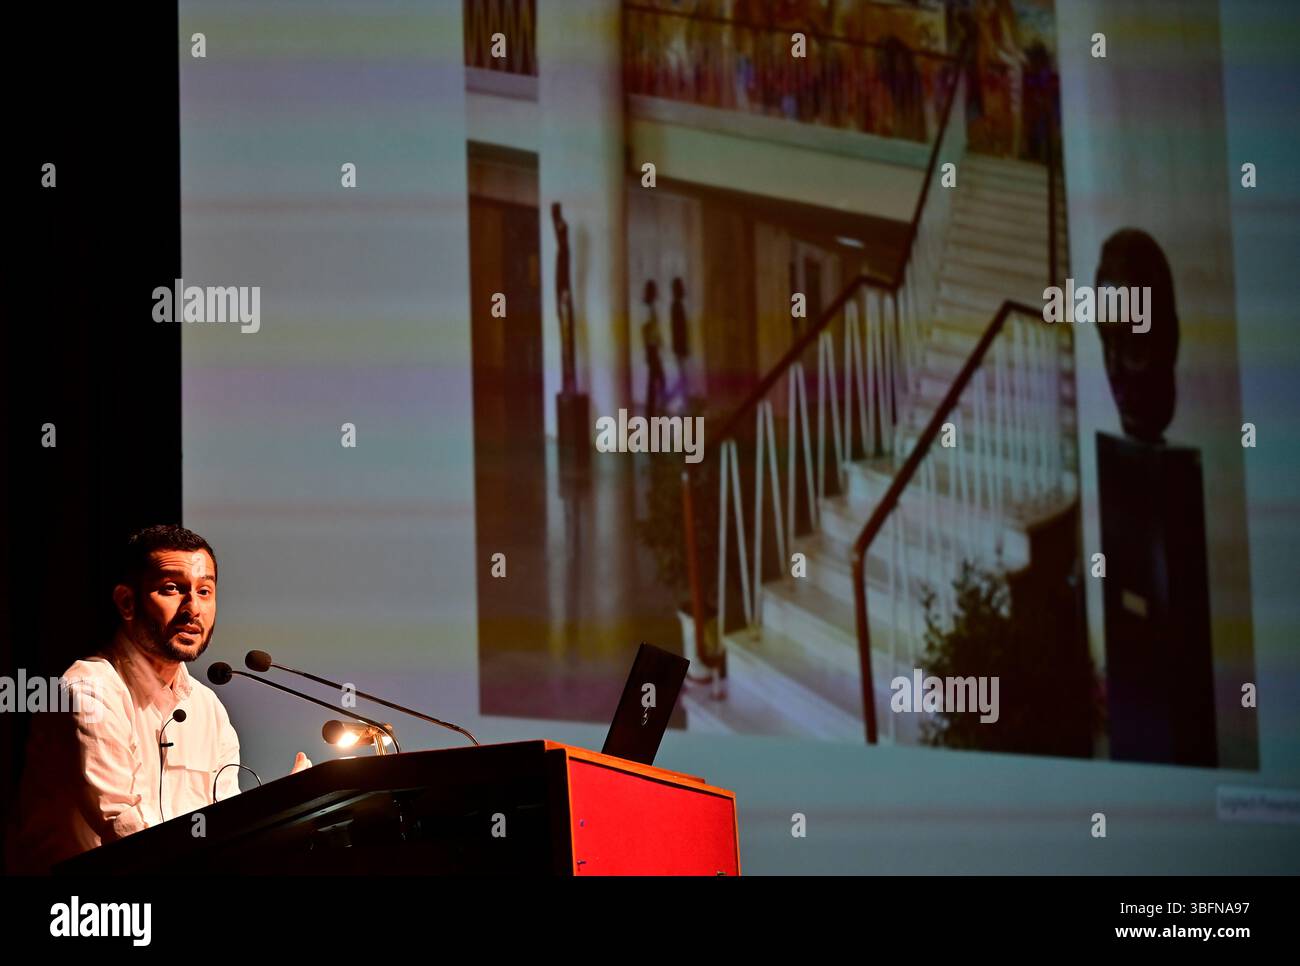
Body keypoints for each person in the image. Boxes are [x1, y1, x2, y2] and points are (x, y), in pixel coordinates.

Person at [5, 525, 312, 874]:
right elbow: (127, 835)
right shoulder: (89, 691)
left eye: (205, 591)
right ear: (127, 602)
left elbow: (227, 829)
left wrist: (286, 807)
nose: (193, 608)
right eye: (172, 589)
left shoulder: (207, 708)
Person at [642, 279, 667, 419]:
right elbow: (647, 330)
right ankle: (653, 412)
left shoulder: (650, 307)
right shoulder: (647, 309)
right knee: (658, 379)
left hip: (653, 348)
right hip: (651, 349)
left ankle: (651, 412)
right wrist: (650, 347)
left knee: (653, 380)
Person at [670, 276, 691, 406]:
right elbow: (678, 329)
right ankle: (681, 401)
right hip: (680, 347)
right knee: (683, 376)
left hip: (680, 347)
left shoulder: (677, 306)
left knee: (683, 375)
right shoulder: (677, 306)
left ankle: (683, 401)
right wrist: (681, 347)